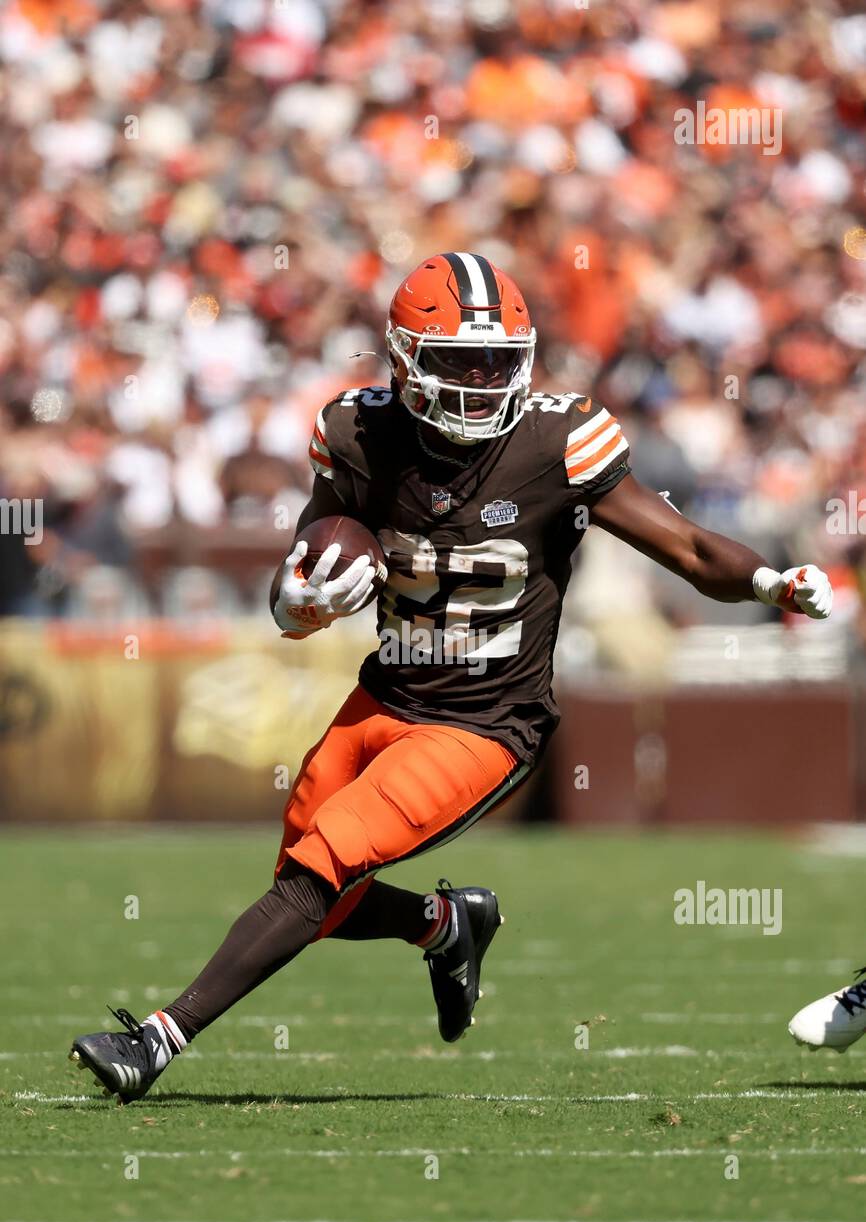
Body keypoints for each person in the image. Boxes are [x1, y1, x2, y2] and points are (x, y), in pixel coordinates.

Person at [69, 252, 834, 1102]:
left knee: (317, 873)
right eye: (457, 362)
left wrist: (770, 581)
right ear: (403, 361)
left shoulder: (557, 440)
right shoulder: (358, 433)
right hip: (384, 692)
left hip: (485, 722)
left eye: (496, 361)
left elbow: (688, 546)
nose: (479, 382)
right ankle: (447, 922)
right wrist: (301, 600)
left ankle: (157, 1042)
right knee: (306, 882)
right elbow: (300, 575)